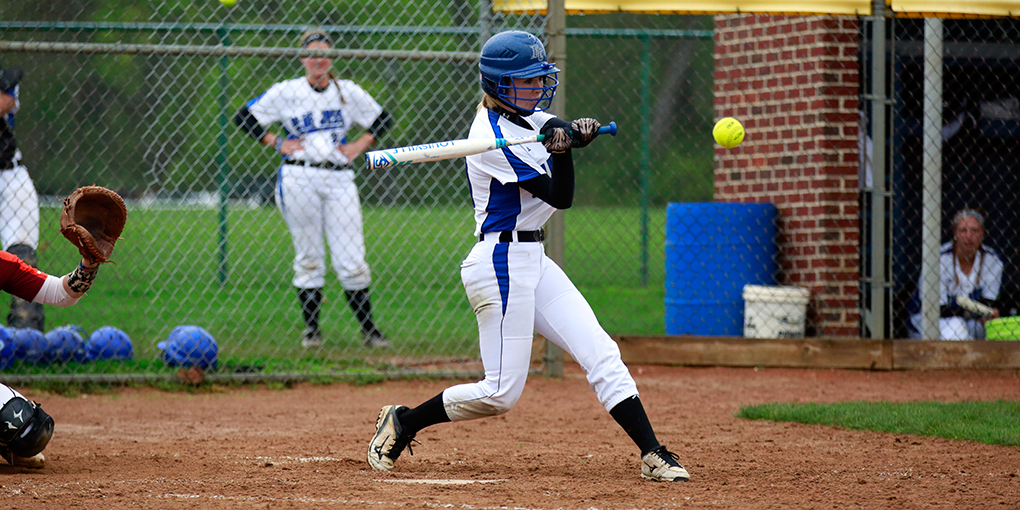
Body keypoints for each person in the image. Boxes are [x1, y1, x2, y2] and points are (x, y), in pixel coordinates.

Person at [367, 30, 690, 482]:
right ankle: (404, 421)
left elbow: (550, 128)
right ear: (499, 85)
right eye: (526, 81)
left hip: (533, 259)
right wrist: (563, 153)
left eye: (541, 79)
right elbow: (561, 196)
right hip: (498, 262)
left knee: (600, 351)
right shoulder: (488, 135)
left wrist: (572, 135)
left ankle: (653, 452)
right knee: (500, 393)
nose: (537, 88)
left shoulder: (529, 118)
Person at [234, 28, 394, 349]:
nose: (318, 59)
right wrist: (277, 142)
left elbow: (383, 119)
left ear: (331, 57)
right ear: (302, 58)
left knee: (351, 258)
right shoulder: (286, 91)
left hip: (339, 178)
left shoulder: (346, 91)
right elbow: (244, 117)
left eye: (324, 53)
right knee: (309, 255)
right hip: (299, 176)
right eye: (312, 53)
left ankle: (369, 331)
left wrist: (360, 144)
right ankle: (312, 332)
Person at [0, 249, 105, 468]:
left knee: (25, 427)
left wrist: (89, 265)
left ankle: (5, 443)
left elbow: (61, 293)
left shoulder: (3, 264)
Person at [908, 209, 1004, 340]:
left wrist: (988, 314)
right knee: (957, 328)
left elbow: (989, 303)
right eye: (963, 230)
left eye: (974, 230)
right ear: (955, 233)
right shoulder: (939, 258)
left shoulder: (992, 260)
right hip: (931, 321)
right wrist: (975, 311)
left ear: (982, 233)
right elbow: (939, 309)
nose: (968, 236)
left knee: (997, 330)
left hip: (970, 321)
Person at [0, 63, 45, 332]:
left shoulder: (7, 78)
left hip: (8, 175)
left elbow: (6, 100)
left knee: (22, 254)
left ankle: (26, 335)